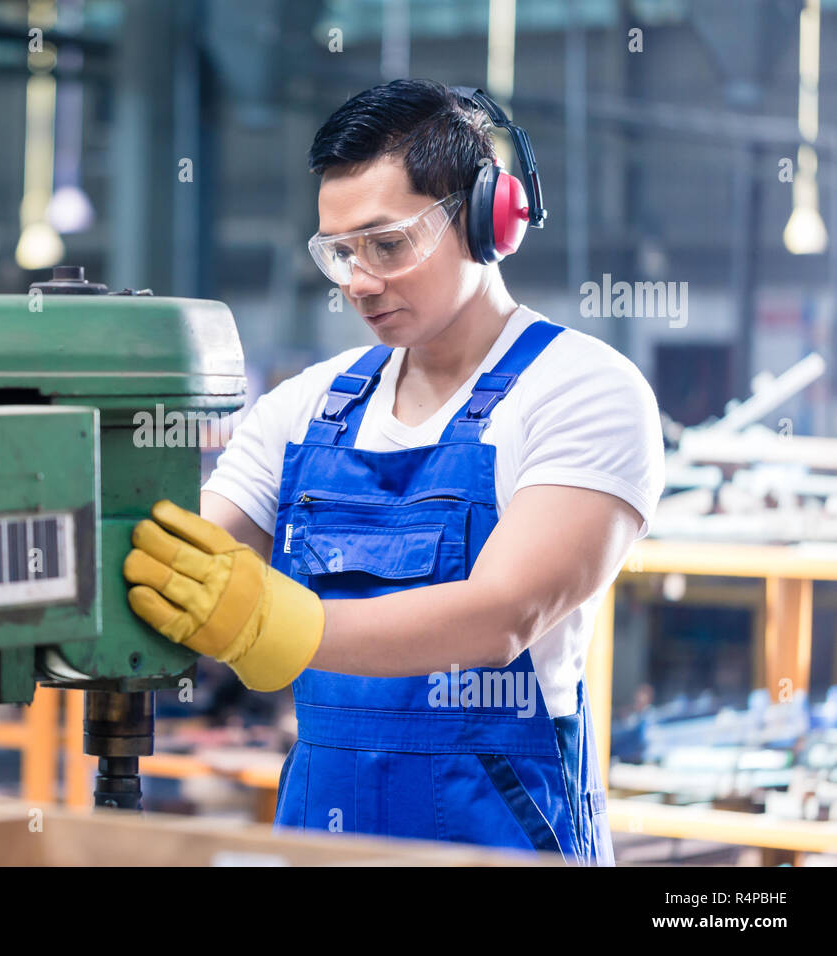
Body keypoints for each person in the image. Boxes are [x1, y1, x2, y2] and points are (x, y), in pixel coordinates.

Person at [122, 79, 664, 865]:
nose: (358, 281)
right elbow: (190, 552)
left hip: (500, 838)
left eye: (387, 245)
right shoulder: (309, 406)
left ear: (486, 220)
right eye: (338, 252)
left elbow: (499, 616)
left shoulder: (584, 390)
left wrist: (279, 627)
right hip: (321, 834)